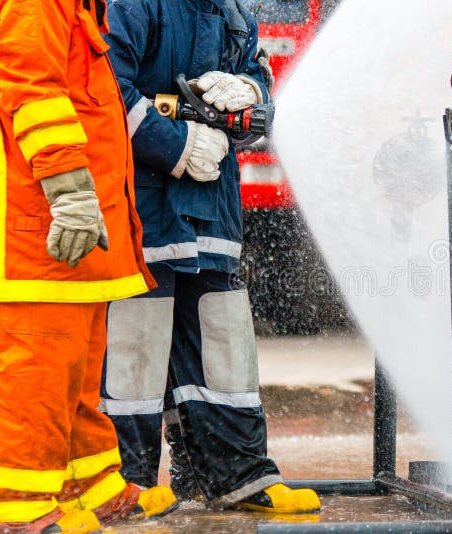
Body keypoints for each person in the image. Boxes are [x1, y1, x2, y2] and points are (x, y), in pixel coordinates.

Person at [98, 0, 320, 513]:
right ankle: (125, 482)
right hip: (144, 206)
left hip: (212, 208)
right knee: (135, 346)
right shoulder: (133, 5)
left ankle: (235, 478)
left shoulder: (234, 11)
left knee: (222, 348)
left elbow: (256, 87)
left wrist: (253, 95)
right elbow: (107, 90)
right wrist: (176, 143)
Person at [0, 0, 178, 530]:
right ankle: (10, 506)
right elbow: (31, 91)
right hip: (40, 227)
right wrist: (69, 191)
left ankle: (88, 485)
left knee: (77, 372)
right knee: (36, 372)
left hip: (71, 233)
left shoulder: (81, 8)